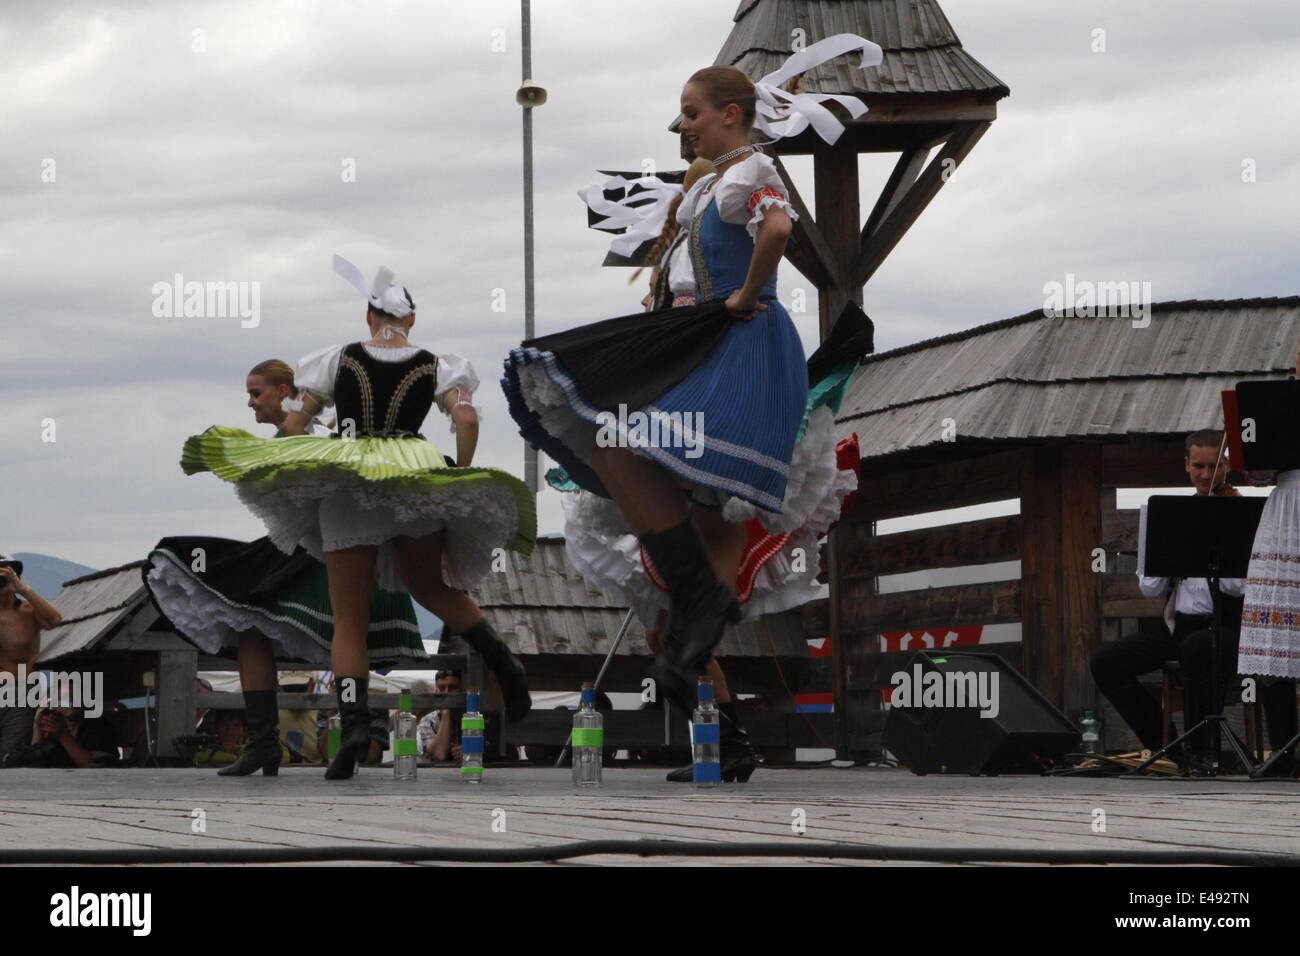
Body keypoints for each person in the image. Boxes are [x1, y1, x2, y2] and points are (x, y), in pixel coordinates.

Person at [508, 67, 866, 780]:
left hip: (736, 348)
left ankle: (698, 635)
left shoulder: (751, 169)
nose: (683, 127)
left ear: (731, 113)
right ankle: (716, 707)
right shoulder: (706, 188)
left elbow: (779, 226)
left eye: (692, 113)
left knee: (629, 453)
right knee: (694, 521)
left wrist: (745, 296)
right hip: (698, 350)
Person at [182, 258, 536, 779]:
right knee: (428, 586)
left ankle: (352, 725)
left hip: (349, 483)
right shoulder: (439, 365)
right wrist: (457, 474)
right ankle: (506, 663)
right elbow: (464, 416)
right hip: (415, 477)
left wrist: (275, 463)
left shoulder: (333, 360)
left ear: (368, 315)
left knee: (349, 621)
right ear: (411, 320)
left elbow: (297, 425)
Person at [144, 360, 425, 777]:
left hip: (325, 551)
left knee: (222, 585)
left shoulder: (317, 428)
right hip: (309, 549)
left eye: (256, 393)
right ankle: (264, 745)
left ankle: (339, 729)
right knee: (248, 625)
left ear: (284, 390)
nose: (250, 403)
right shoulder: (293, 433)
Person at [1091, 431, 1252, 769]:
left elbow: (1240, 588)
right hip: (1180, 627)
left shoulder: (1241, 510)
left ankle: (1202, 750)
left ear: (1226, 465)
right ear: (1186, 465)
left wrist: (1216, 548)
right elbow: (1150, 589)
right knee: (1106, 661)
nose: (1206, 475)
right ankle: (1169, 744)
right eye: (1199, 466)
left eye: (1214, 466)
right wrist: (1172, 552)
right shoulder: (1169, 513)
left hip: (1230, 625)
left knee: (1198, 648)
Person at [1236, 347, 1300, 776]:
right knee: (1276, 637)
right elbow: (1261, 471)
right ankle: (1283, 752)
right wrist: (1250, 467)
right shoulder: (1280, 402)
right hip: (1288, 507)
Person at [0, 555, 63, 762]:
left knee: (12, 755)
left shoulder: (27, 611)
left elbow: (54, 620)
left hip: (21, 690)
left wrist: (21, 589)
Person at [29, 702, 120, 768]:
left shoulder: (100, 726)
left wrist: (62, 735)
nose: (71, 701)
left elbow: (95, 766)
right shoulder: (55, 730)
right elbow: (35, 761)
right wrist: (37, 726)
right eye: (65, 698)